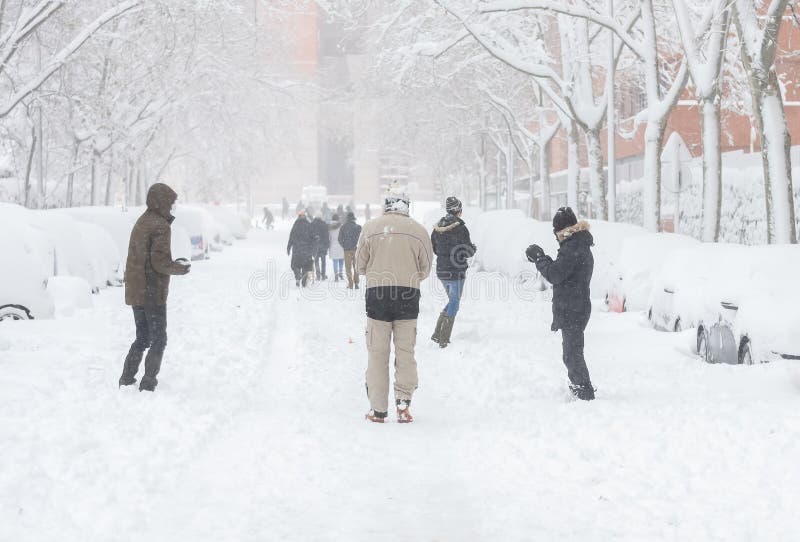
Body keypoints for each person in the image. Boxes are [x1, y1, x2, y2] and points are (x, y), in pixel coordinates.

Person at [357, 191, 433, 423]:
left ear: (386, 207)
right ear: (406, 207)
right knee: (405, 352)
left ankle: (378, 410)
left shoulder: (371, 228)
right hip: (408, 295)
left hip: (378, 295)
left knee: (378, 353)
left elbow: (360, 265)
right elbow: (426, 268)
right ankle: (403, 403)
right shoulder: (419, 231)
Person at [119, 183, 191, 392]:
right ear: (162, 202)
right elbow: (159, 262)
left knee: (142, 337)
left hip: (136, 290)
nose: (172, 207)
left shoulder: (143, 221)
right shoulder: (160, 225)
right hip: (151, 291)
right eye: (170, 202)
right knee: (159, 338)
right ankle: (148, 382)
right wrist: (179, 268)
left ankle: (126, 377)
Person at [526, 206, 596, 401]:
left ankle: (583, 391)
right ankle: (580, 387)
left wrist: (540, 258)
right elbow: (560, 271)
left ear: (561, 229)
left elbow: (555, 274)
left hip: (573, 307)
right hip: (576, 305)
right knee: (572, 351)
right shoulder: (577, 244)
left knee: (572, 354)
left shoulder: (573, 247)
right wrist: (545, 259)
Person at [430, 196, 476, 348]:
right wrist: (472, 249)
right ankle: (443, 338)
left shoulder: (437, 229)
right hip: (456, 272)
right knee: (454, 304)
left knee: (452, 301)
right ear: (458, 211)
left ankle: (438, 334)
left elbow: (435, 249)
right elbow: (467, 251)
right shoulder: (461, 229)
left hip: (442, 271)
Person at [287, 209, 315, 287]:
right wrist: (313, 248)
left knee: (294, 265)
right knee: (306, 265)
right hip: (307, 250)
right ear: (305, 217)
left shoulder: (295, 225)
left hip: (297, 250)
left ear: (298, 217)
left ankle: (297, 275)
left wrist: (289, 247)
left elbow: (291, 237)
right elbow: (313, 238)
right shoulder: (308, 225)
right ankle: (304, 276)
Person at [338, 211, 362, 289]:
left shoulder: (343, 227)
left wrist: (344, 245)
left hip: (347, 250)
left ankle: (350, 283)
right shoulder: (358, 227)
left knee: (348, 267)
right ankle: (357, 283)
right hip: (356, 250)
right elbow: (361, 239)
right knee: (356, 267)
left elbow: (339, 239)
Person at [311, 215, 330, 280]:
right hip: (323, 245)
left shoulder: (312, 225)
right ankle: (323, 275)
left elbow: (311, 236)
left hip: (315, 246)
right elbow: (327, 236)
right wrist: (327, 245)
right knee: (323, 261)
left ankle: (318, 275)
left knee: (316, 261)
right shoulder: (324, 224)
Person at [329, 214, 345, 282]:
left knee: (335, 261)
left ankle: (336, 275)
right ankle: (340, 273)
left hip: (333, 244)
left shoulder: (329, 226)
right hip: (341, 244)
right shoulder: (341, 226)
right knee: (341, 260)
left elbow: (329, 237)